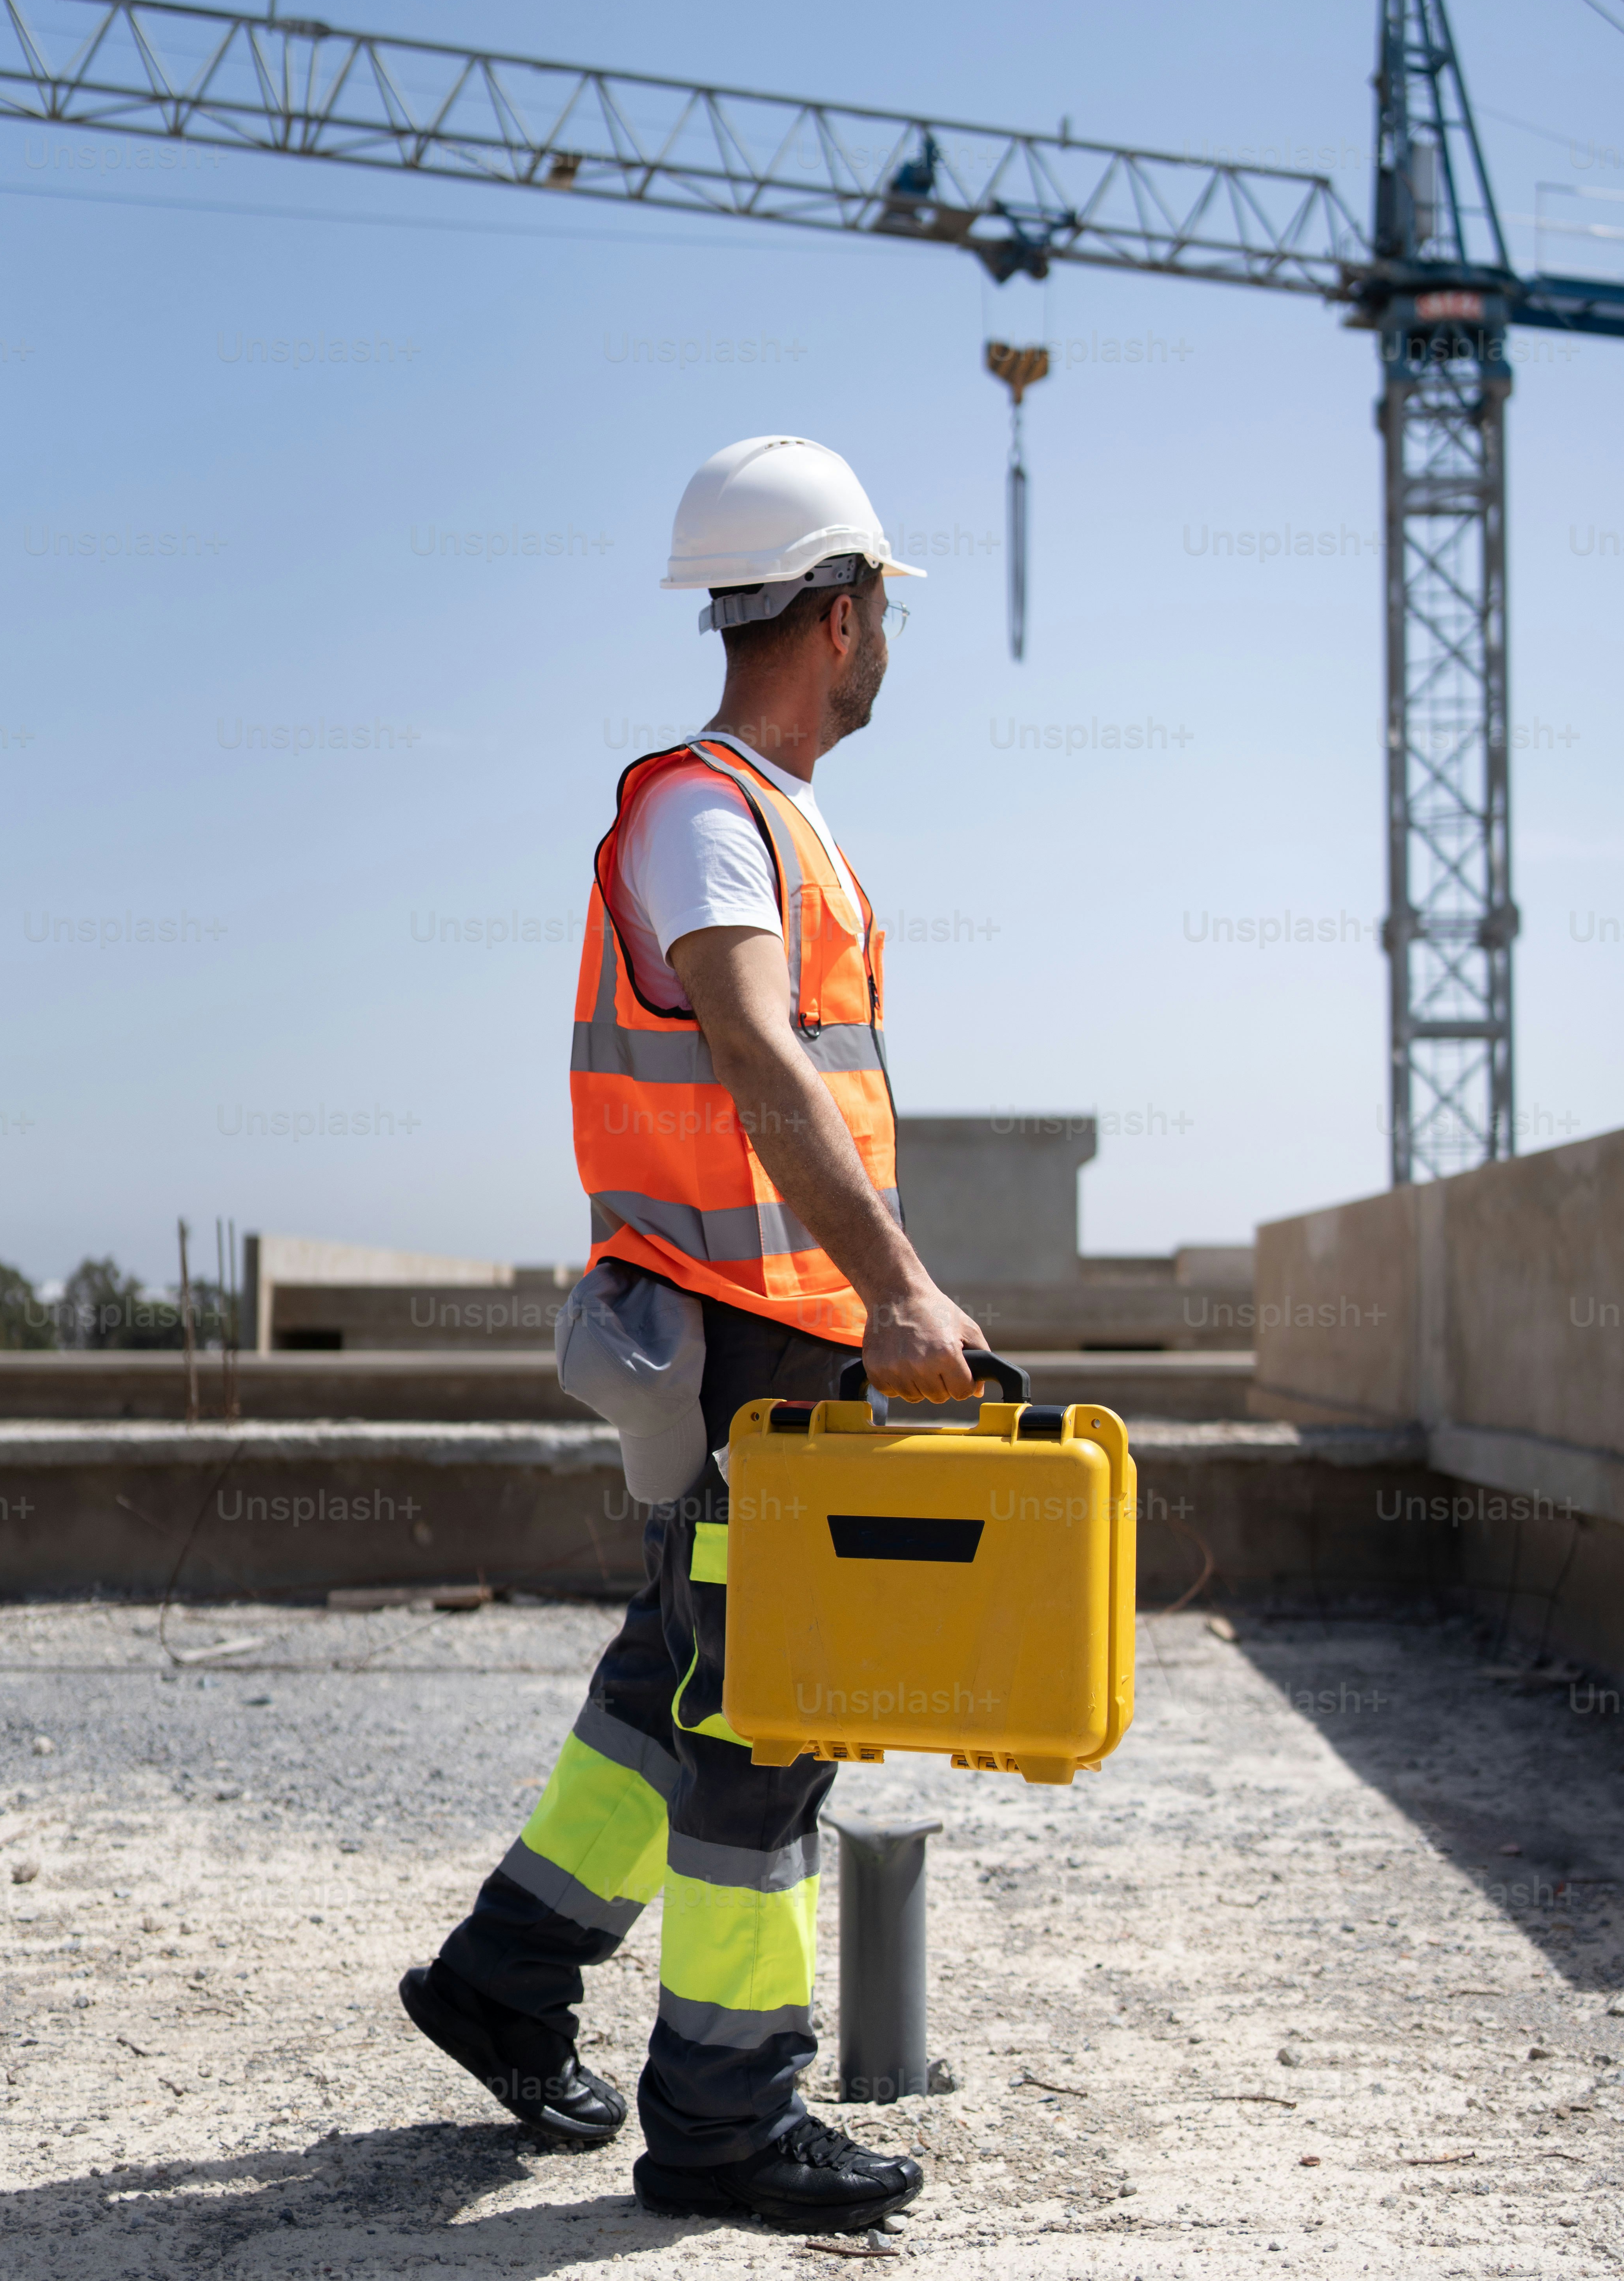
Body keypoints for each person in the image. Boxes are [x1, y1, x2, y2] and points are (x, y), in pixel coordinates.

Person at [400, 435, 989, 2235]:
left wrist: (872, 1293)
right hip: (750, 1344)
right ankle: (728, 2113)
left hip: (775, 1336)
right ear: (839, 610)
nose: (889, 634)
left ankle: (506, 1976)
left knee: (682, 1675)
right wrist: (898, 1288)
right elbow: (753, 1054)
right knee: (763, 1721)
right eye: (882, 604)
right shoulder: (701, 812)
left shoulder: (768, 815)